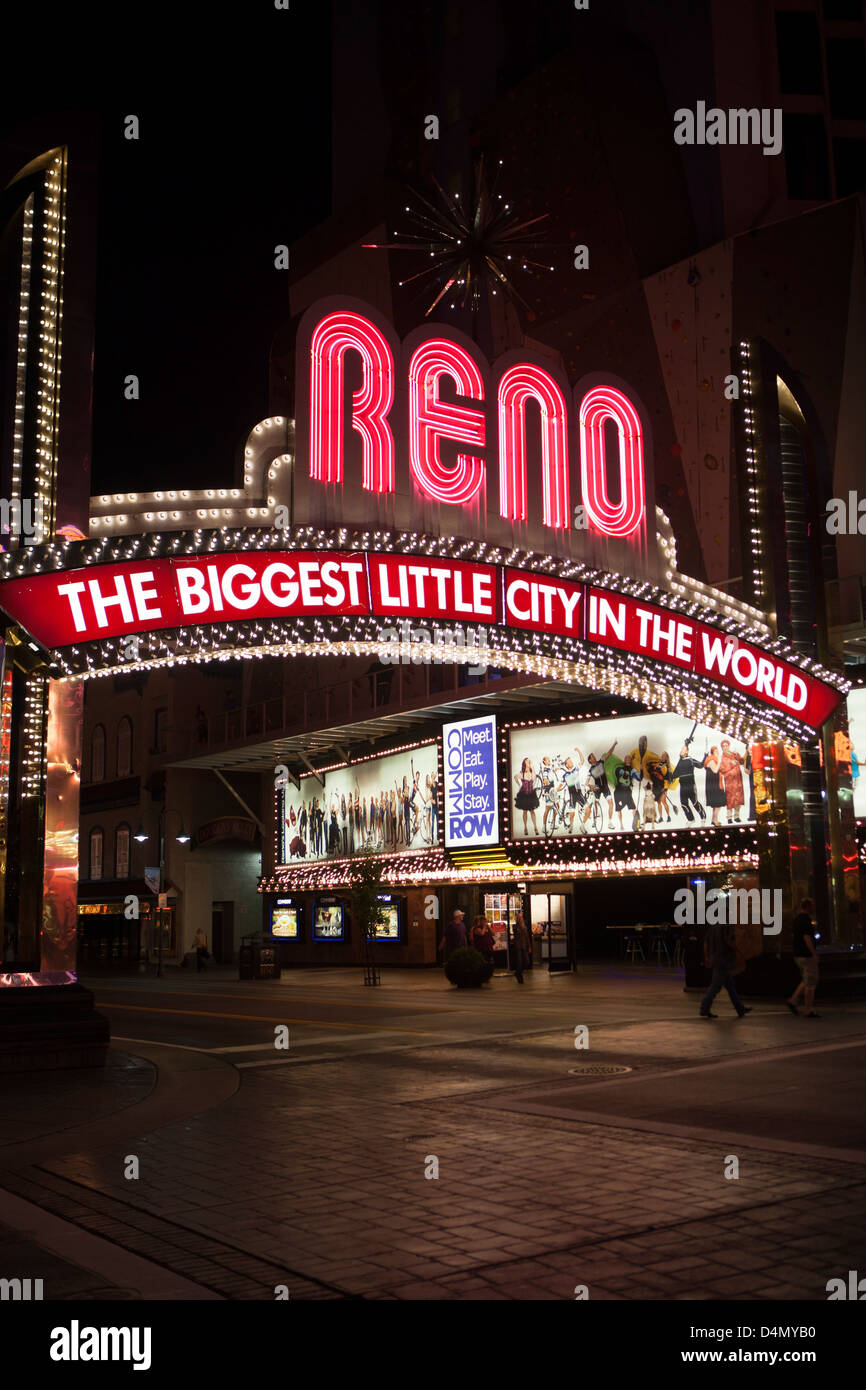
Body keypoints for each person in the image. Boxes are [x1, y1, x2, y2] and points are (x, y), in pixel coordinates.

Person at [699, 918, 751, 1019]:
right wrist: (739, 951)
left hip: (716, 959)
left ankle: (740, 1009)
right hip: (724, 960)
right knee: (715, 987)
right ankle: (704, 1009)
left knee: (730, 987)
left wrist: (707, 957)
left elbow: (706, 942)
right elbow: (729, 941)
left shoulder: (713, 926)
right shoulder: (727, 925)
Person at [787, 897, 821, 1017]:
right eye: (812, 906)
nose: (814, 908)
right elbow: (807, 938)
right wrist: (814, 953)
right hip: (806, 955)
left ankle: (793, 1000)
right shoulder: (806, 920)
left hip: (798, 954)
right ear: (808, 907)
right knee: (811, 982)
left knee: (806, 979)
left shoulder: (797, 919)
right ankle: (808, 1009)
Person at [673, 742, 706, 822]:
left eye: (683, 750)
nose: (681, 751)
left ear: (687, 752)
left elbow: (701, 765)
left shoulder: (691, 760)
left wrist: (705, 756)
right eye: (681, 750)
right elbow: (675, 775)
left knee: (695, 803)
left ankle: (703, 817)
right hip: (683, 787)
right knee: (684, 804)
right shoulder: (680, 761)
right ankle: (691, 819)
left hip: (690, 786)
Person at [719, 739, 745, 823]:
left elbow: (741, 762)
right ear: (722, 748)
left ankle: (737, 816)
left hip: (738, 779)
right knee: (730, 798)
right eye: (723, 746)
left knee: (738, 797)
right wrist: (731, 763)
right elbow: (721, 768)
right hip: (729, 780)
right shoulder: (722, 757)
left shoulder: (734, 754)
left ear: (729, 746)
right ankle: (729, 817)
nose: (725, 747)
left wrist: (738, 755)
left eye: (726, 746)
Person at [514, 757, 540, 835]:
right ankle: (525, 827)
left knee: (532, 811)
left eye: (529, 761)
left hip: (531, 793)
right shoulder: (522, 773)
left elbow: (534, 778)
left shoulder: (532, 771)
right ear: (524, 763)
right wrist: (519, 785)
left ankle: (535, 827)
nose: (529, 762)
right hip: (524, 794)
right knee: (525, 811)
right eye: (527, 761)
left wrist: (532, 767)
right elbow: (515, 777)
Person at [510, 911, 531, 983]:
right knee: (519, 962)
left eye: (521, 918)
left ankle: (518, 973)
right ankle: (519, 975)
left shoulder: (524, 927)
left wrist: (529, 946)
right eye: (519, 918)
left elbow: (527, 937)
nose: (521, 919)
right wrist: (520, 925)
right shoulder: (515, 926)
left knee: (526, 961)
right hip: (518, 946)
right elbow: (517, 933)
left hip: (524, 946)